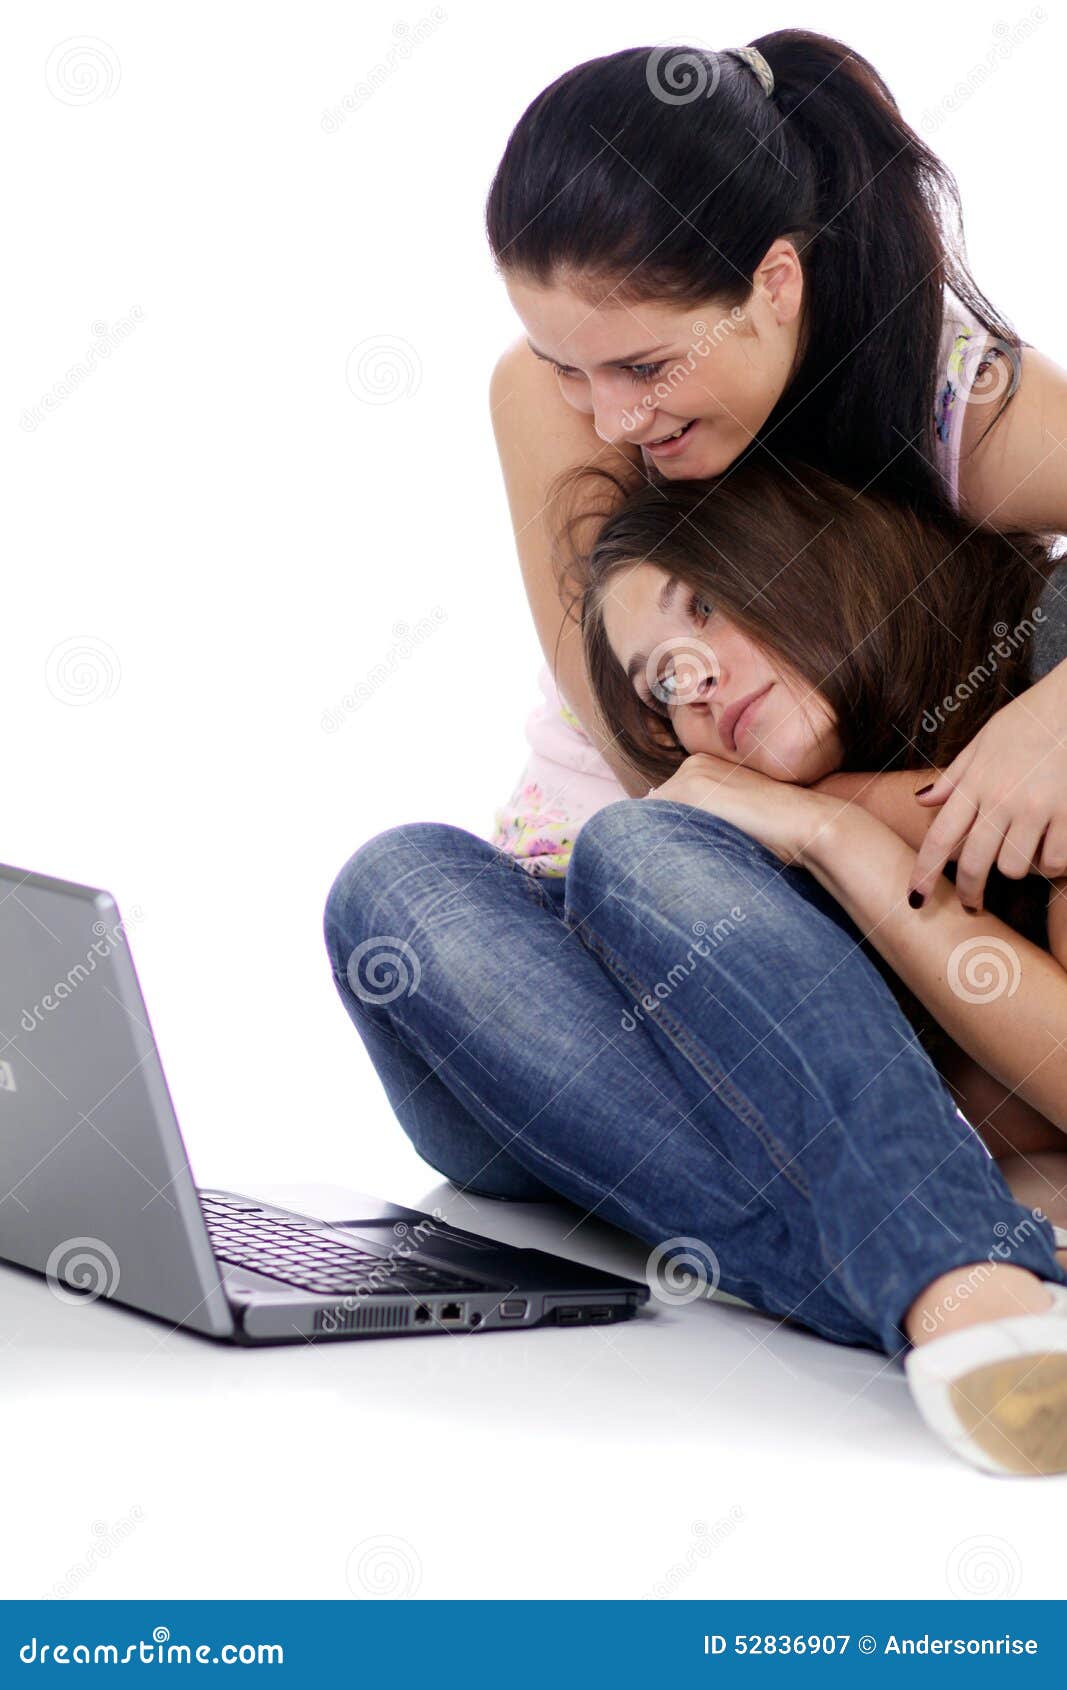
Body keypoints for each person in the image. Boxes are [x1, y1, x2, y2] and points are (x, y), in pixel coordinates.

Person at [322, 460, 1067, 1476]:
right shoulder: (745, 848)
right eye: (662, 682)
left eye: (706, 607)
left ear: (807, 549)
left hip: (637, 1146)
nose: (695, 679)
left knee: (639, 843)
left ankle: (945, 1277)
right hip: (548, 1082)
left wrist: (828, 825)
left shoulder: (1038, 707)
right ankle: (946, 1256)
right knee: (396, 879)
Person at [485, 29, 1067, 908]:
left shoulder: (959, 406)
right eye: (566, 365)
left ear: (777, 282)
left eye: (645, 368)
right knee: (403, 889)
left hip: (819, 898)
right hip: (604, 856)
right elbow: (647, 754)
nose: (612, 421)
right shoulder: (540, 399)